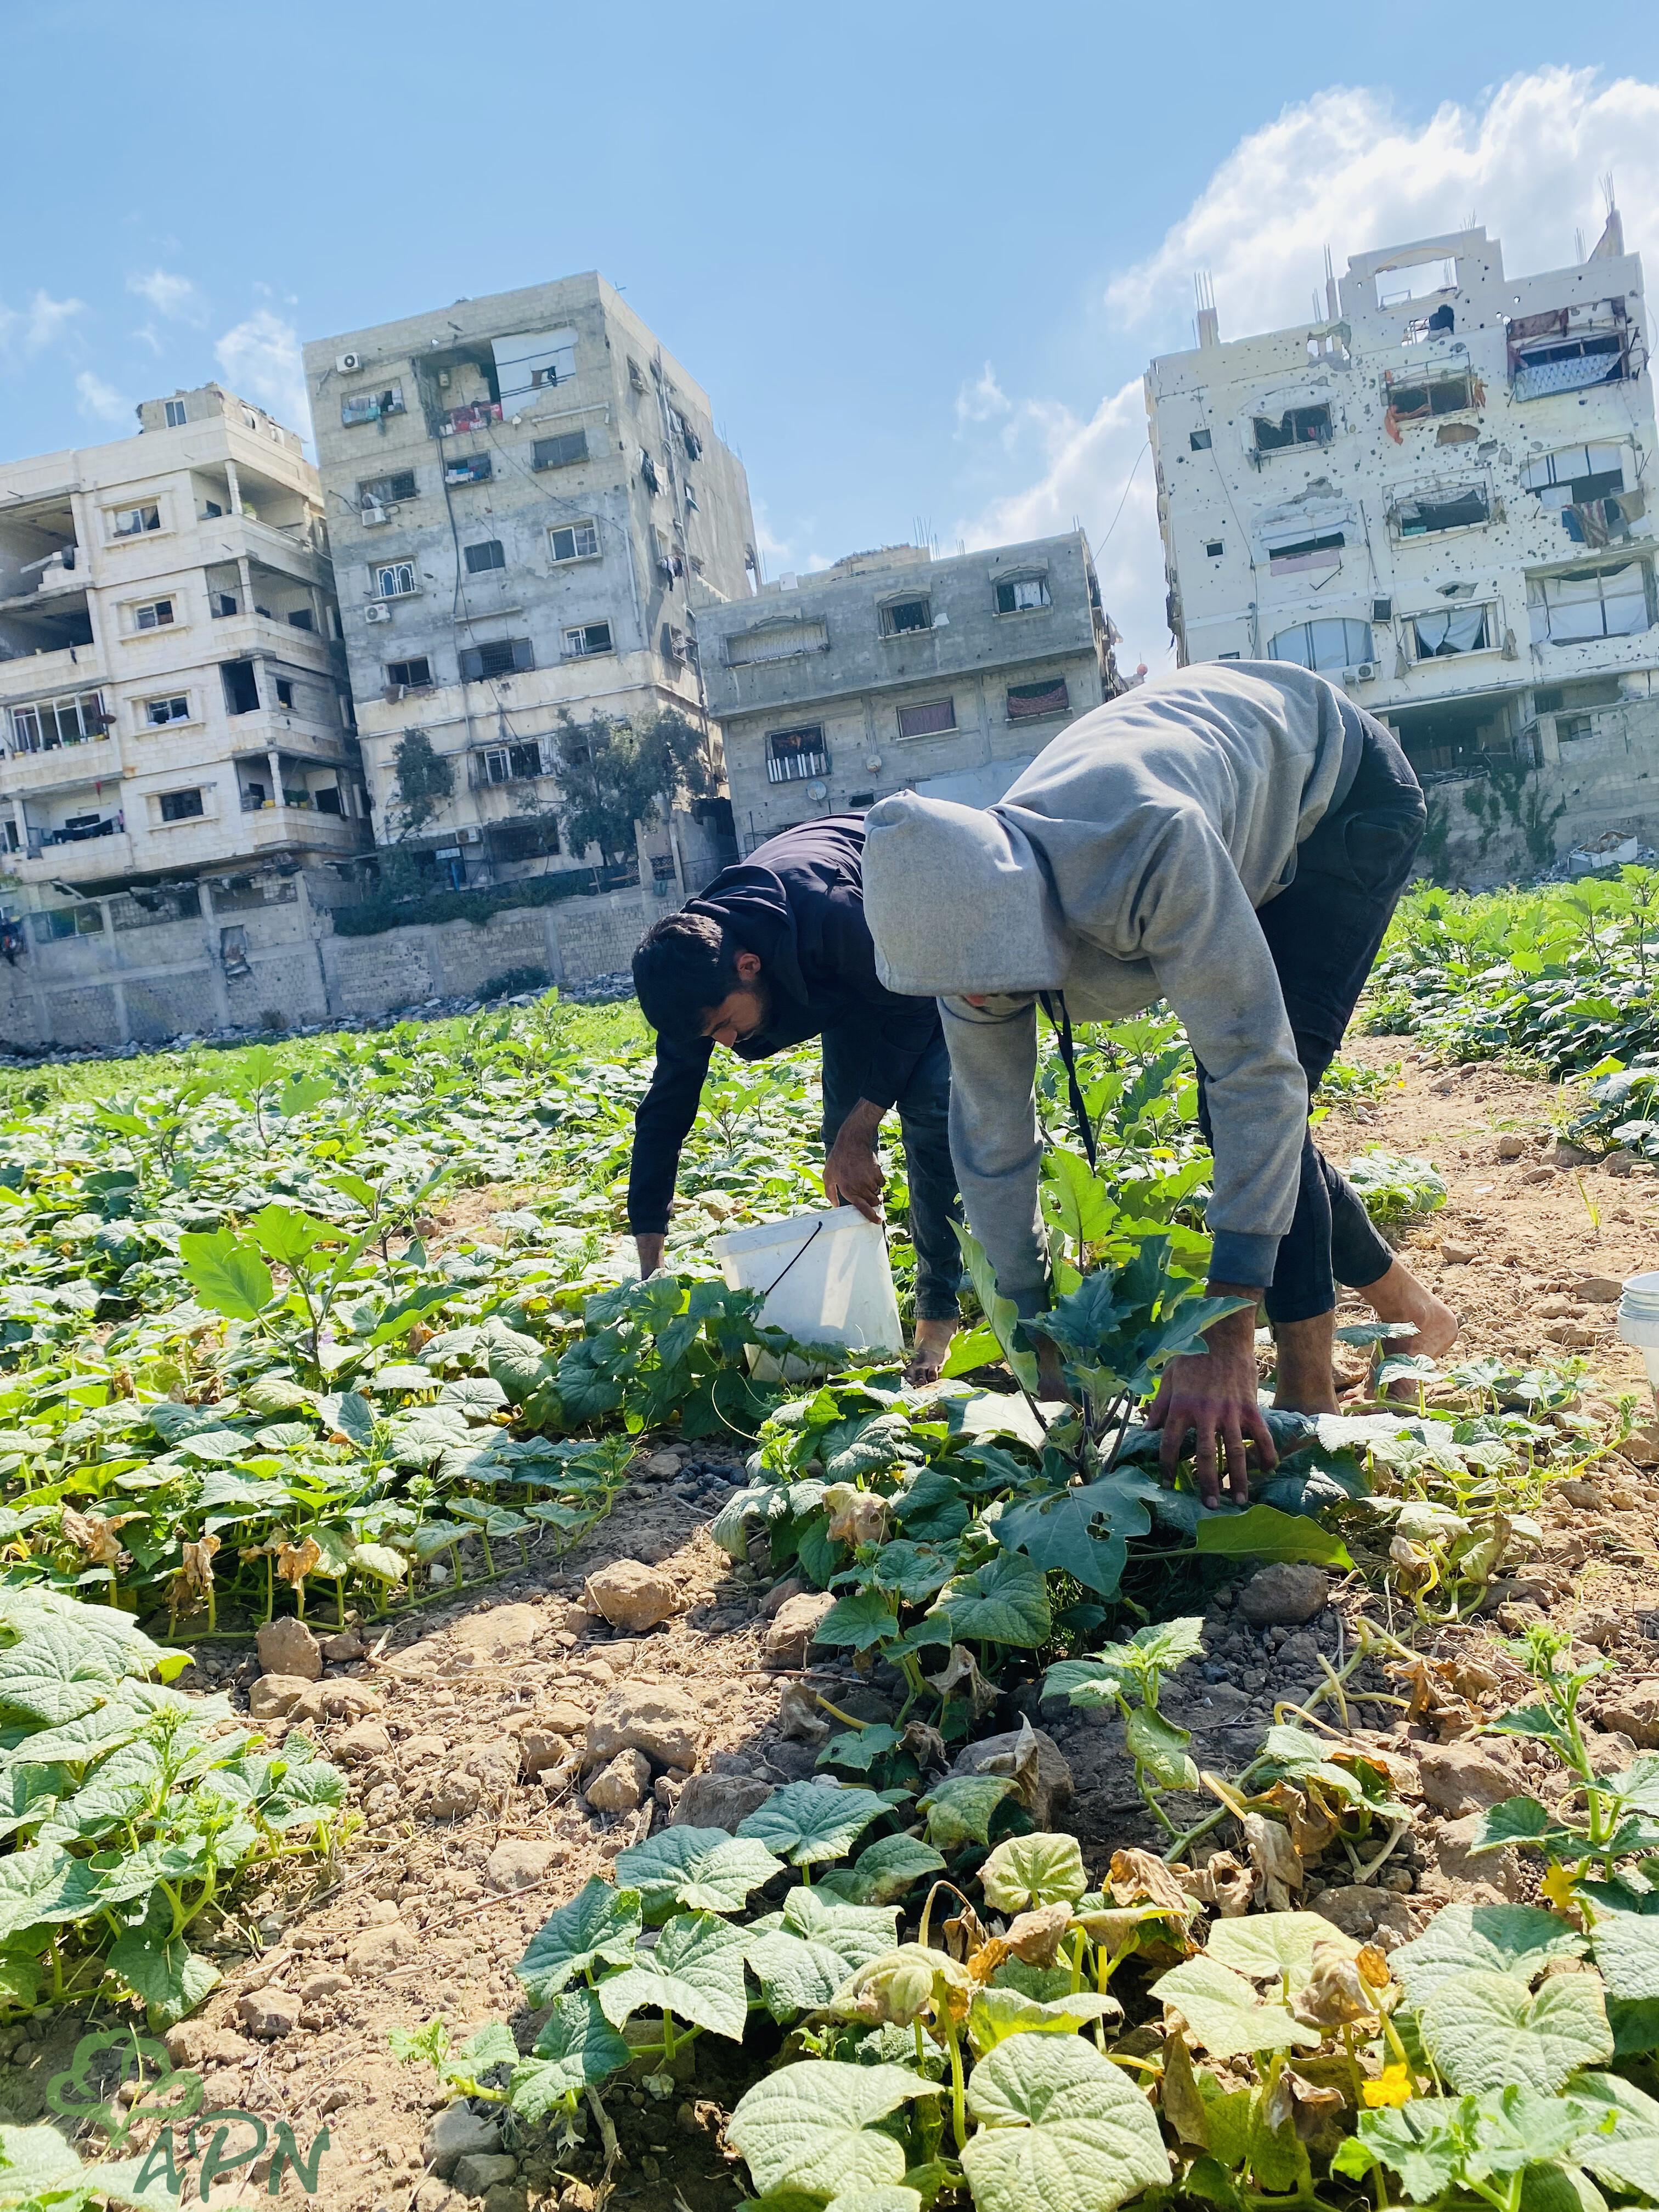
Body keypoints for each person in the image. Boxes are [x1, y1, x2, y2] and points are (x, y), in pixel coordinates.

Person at [861, 660, 1457, 1500]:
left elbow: (1259, 1074)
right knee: (1250, 1134)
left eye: (997, 980)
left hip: (1336, 797)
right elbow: (993, 1143)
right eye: (966, 991)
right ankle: (1418, 1318)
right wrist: (1043, 1339)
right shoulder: (964, 947)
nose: (984, 1001)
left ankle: (1306, 1398)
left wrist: (1223, 1329)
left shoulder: (1146, 850)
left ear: (1026, 908)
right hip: (1220, 796)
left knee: (1245, 1114)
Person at [628, 816, 964, 1381]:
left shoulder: (832, 914)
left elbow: (913, 1004)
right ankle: (867, 1322)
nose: (727, 1044)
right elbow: (664, 1117)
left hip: (918, 951)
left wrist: (864, 1127)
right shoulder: (691, 982)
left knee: (929, 1111)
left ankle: (937, 1318)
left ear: (749, 967)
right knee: (844, 1153)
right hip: (854, 984)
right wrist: (650, 1271)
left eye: (726, 1026)